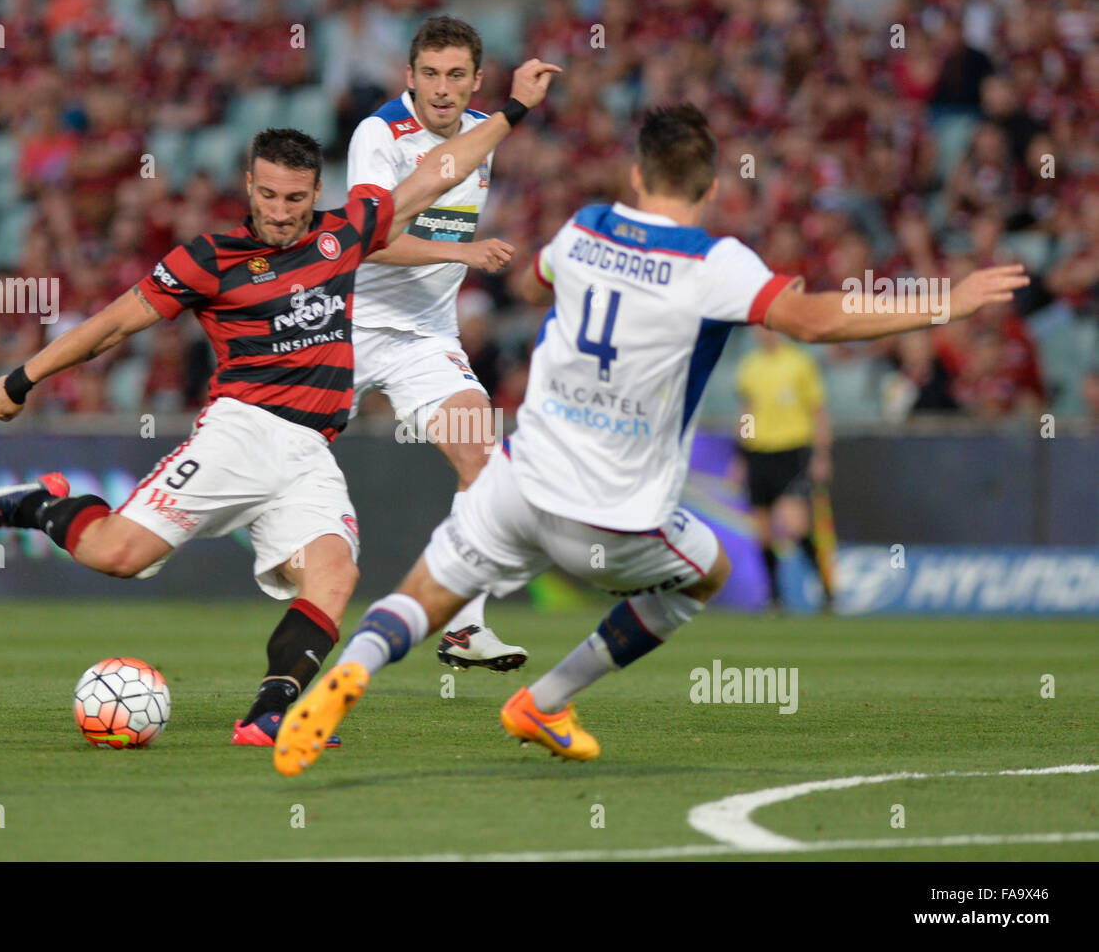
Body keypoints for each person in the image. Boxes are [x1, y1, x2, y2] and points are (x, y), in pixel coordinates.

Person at [273, 104, 1028, 775]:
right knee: (705, 572)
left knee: (424, 595)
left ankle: (356, 668)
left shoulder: (585, 228)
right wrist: (946, 301)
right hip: (612, 513)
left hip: (518, 478)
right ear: (711, 190)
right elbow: (819, 321)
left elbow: (534, 283)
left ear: (634, 174)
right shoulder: (714, 263)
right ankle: (546, 699)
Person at [0, 58, 561, 749]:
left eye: (295, 199)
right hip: (240, 434)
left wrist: (512, 112)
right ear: (249, 186)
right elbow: (113, 323)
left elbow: (438, 172)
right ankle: (36, 501)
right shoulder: (211, 257)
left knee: (336, 575)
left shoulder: (344, 234)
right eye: (269, 197)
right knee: (116, 555)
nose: (281, 213)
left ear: (318, 191)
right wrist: (23, 377)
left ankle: (269, 714)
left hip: (312, 449)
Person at [346, 15, 527, 672]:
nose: (442, 89)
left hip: (425, 337)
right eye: (430, 74)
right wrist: (466, 250)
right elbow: (372, 237)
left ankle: (463, 627)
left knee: (484, 458)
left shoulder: (484, 135)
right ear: (409, 77)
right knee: (269, 451)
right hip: (347, 324)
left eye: (456, 76)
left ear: (476, 81)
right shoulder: (379, 133)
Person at [734, 326, 834, 609]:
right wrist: (742, 452)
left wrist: (821, 455)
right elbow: (747, 411)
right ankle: (775, 597)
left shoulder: (800, 362)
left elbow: (818, 410)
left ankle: (826, 591)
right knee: (763, 531)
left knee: (795, 525)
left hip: (792, 451)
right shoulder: (750, 365)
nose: (763, 333)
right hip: (758, 453)